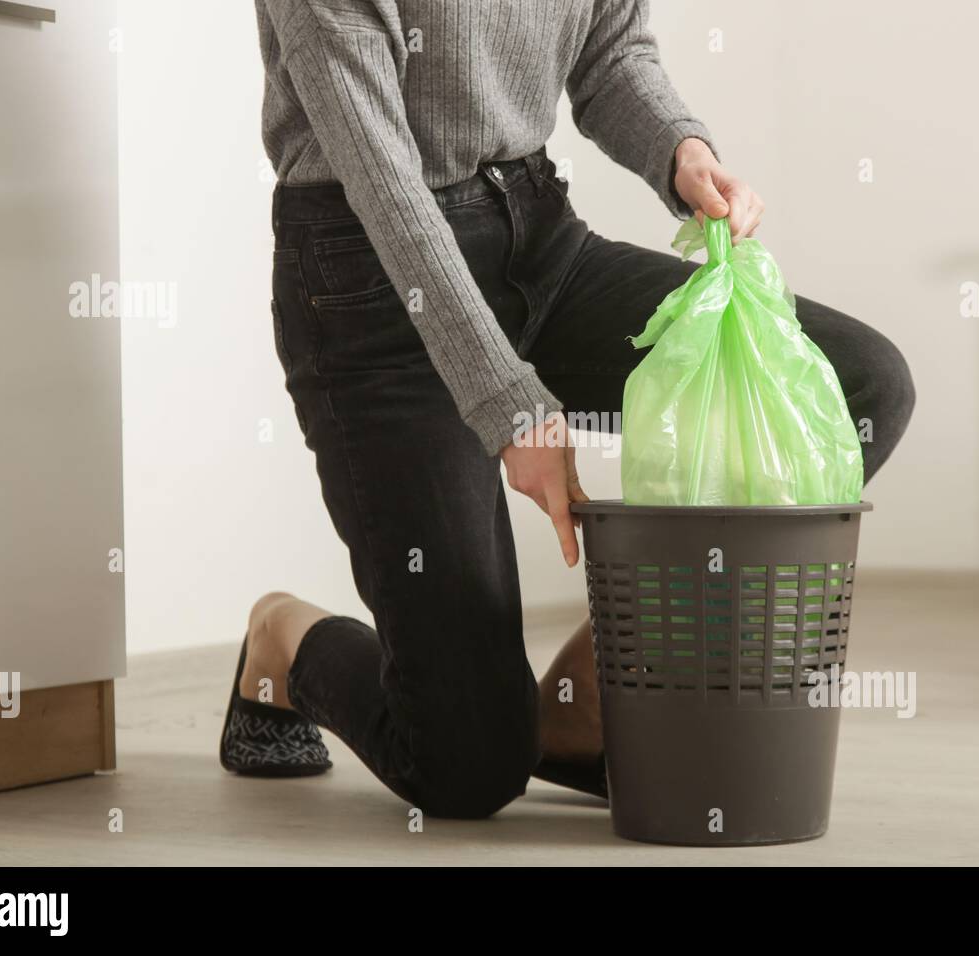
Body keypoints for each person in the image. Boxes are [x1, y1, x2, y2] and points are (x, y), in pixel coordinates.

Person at [220, 0, 915, 818]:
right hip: (371, 279)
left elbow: (612, 49)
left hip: (534, 236)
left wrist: (681, 149)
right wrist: (509, 403)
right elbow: (381, 177)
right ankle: (279, 639)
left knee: (860, 385)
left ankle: (590, 694)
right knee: (466, 767)